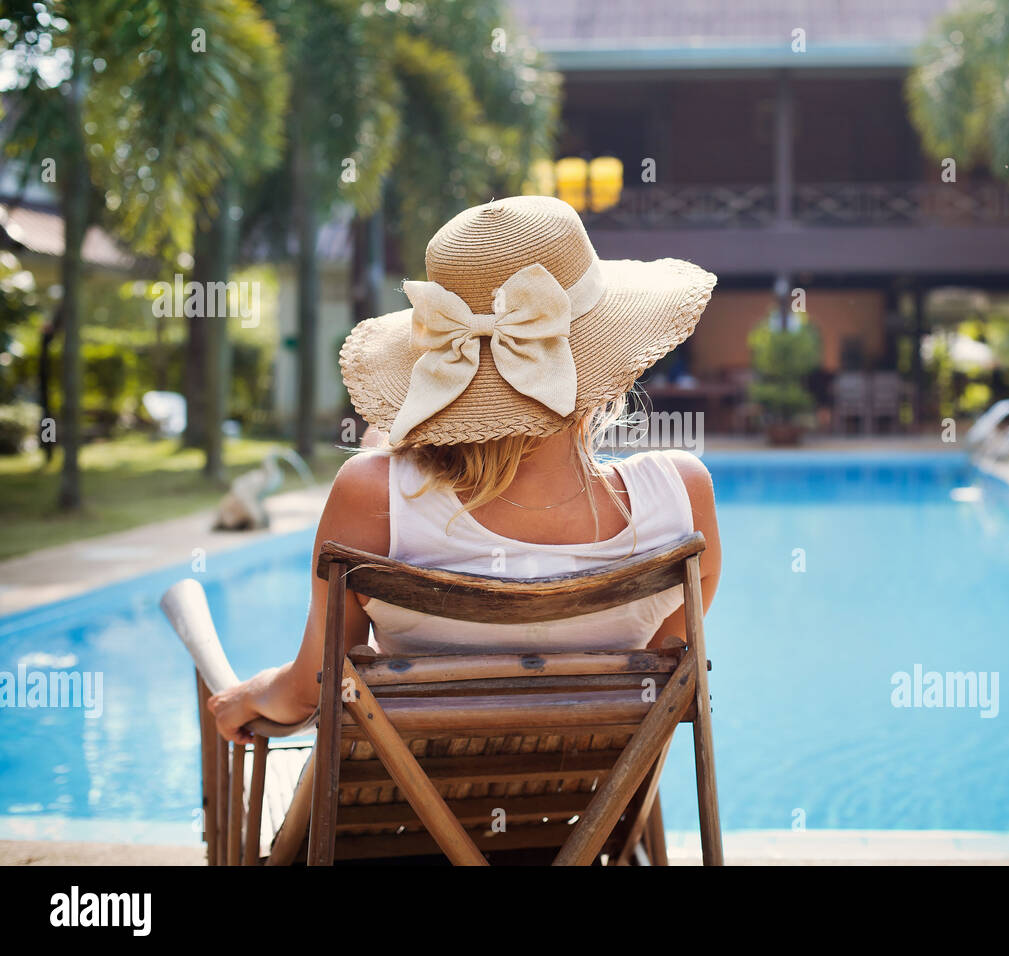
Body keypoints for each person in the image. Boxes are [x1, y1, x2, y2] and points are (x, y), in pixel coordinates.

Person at [210, 196, 722, 742]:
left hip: (407, 812)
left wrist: (256, 692)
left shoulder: (370, 496)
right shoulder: (680, 497)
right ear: (610, 363)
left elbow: (317, 686)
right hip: (591, 808)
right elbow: (656, 683)